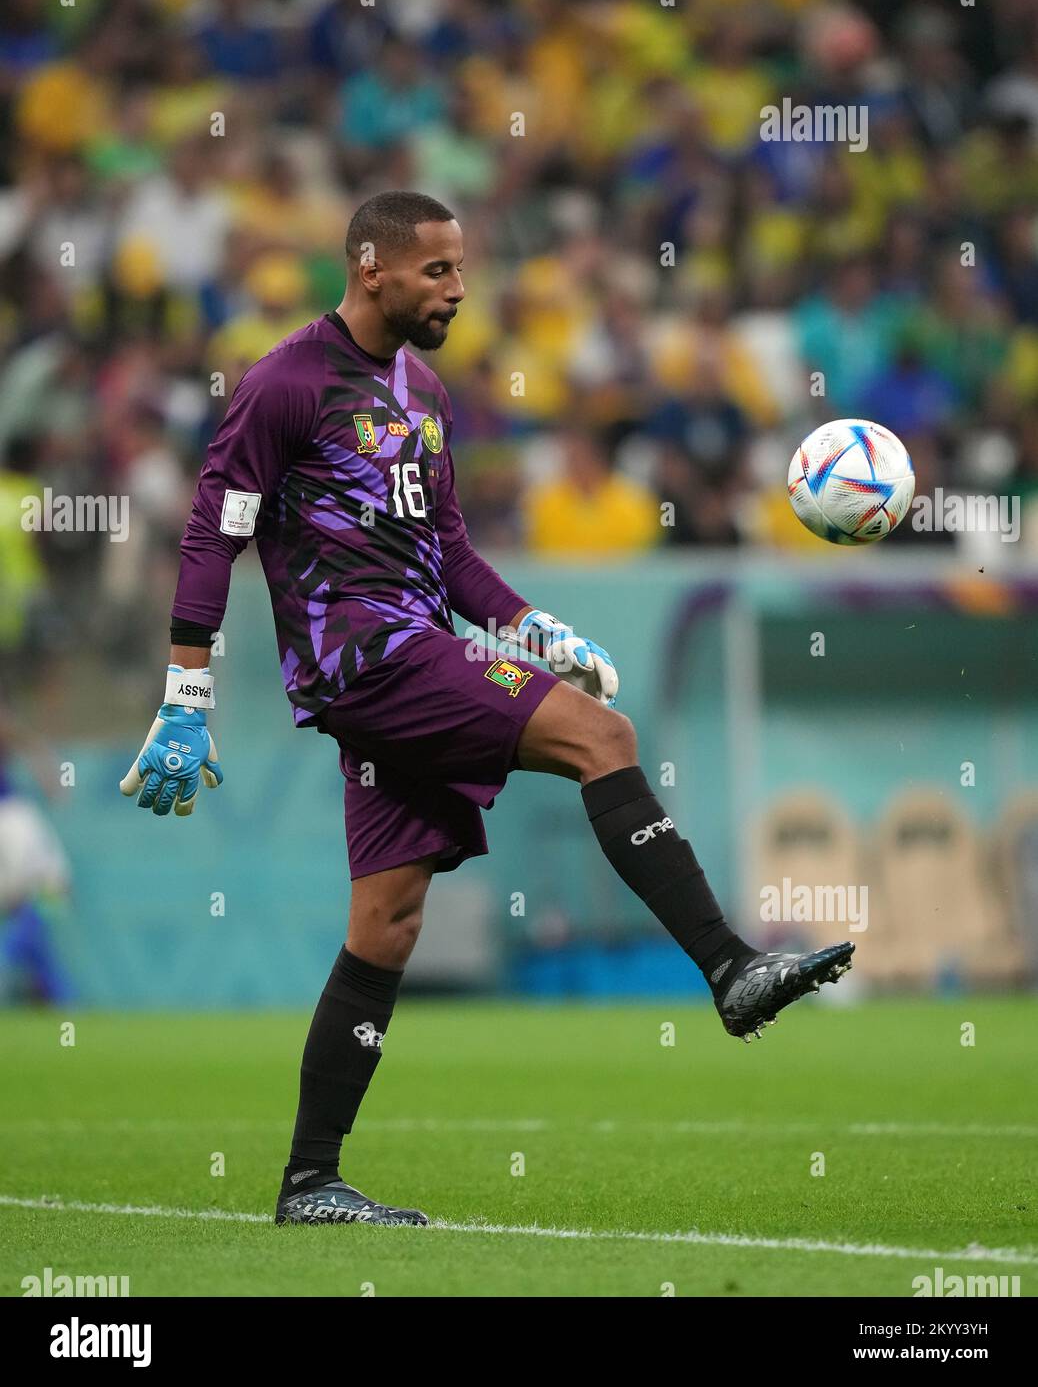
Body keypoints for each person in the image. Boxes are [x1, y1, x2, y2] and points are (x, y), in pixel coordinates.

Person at [119, 191, 853, 1227]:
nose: (459, 290)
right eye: (437, 272)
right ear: (371, 268)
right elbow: (212, 530)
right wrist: (187, 691)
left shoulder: (424, 389)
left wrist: (537, 631)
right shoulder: (288, 382)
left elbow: (450, 553)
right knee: (605, 737)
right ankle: (731, 965)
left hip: (419, 649)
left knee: (386, 923)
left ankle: (308, 1181)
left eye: (461, 270)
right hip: (368, 659)